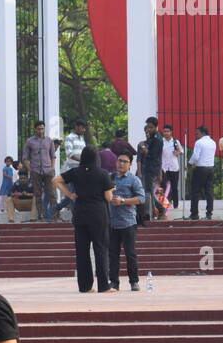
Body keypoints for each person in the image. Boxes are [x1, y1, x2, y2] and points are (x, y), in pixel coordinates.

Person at [54, 147, 116, 293]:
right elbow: (108, 198)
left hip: (80, 214)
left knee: (82, 251)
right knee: (100, 249)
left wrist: (69, 195)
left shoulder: (76, 172)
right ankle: (103, 286)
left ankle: (85, 286)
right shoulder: (103, 173)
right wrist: (112, 190)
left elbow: (55, 180)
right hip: (98, 216)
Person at [108, 154, 145, 291]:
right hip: (111, 222)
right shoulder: (110, 178)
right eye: (119, 161)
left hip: (128, 222)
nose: (121, 164)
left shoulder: (133, 180)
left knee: (130, 253)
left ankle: (134, 281)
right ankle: (114, 282)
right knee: (112, 254)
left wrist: (123, 201)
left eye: (125, 161)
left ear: (130, 164)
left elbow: (141, 198)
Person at [24, 120, 59, 222]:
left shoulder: (49, 141)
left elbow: (53, 156)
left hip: (48, 170)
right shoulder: (29, 141)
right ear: (35, 129)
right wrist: (31, 169)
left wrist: (52, 168)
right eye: (39, 129)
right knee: (38, 194)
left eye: (42, 128)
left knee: (52, 193)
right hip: (36, 171)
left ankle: (55, 215)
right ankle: (40, 215)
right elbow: (25, 158)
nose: (41, 131)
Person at [188, 124, 217, 221]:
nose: (195, 135)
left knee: (195, 192)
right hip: (210, 168)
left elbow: (196, 156)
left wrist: (189, 163)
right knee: (209, 192)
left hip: (200, 169)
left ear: (202, 133)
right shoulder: (213, 142)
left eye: (197, 133)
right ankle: (209, 214)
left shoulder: (199, 142)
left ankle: (194, 214)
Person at [137, 117, 164, 223]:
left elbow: (152, 155)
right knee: (149, 192)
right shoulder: (152, 138)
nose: (148, 129)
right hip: (149, 168)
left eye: (151, 127)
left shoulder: (157, 139)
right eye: (147, 127)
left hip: (151, 169)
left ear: (156, 127)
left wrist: (143, 147)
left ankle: (151, 213)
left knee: (148, 192)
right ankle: (154, 211)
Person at [159, 123, 184, 214]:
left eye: (168, 131)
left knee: (174, 186)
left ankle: (176, 204)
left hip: (174, 167)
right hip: (163, 167)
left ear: (171, 132)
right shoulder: (160, 141)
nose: (166, 133)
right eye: (164, 131)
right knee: (163, 186)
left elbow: (181, 151)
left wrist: (177, 152)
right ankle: (164, 204)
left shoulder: (175, 142)